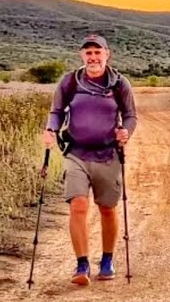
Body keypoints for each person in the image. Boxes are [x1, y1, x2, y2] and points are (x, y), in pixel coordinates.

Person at [43, 34, 138, 286]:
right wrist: (51, 129)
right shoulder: (69, 82)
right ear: (81, 55)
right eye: (88, 53)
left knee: (107, 209)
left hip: (108, 154)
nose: (93, 57)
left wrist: (126, 132)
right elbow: (56, 111)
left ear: (107, 54)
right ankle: (82, 263)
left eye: (98, 52)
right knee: (78, 206)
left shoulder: (120, 84)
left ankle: (107, 260)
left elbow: (130, 116)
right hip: (76, 153)